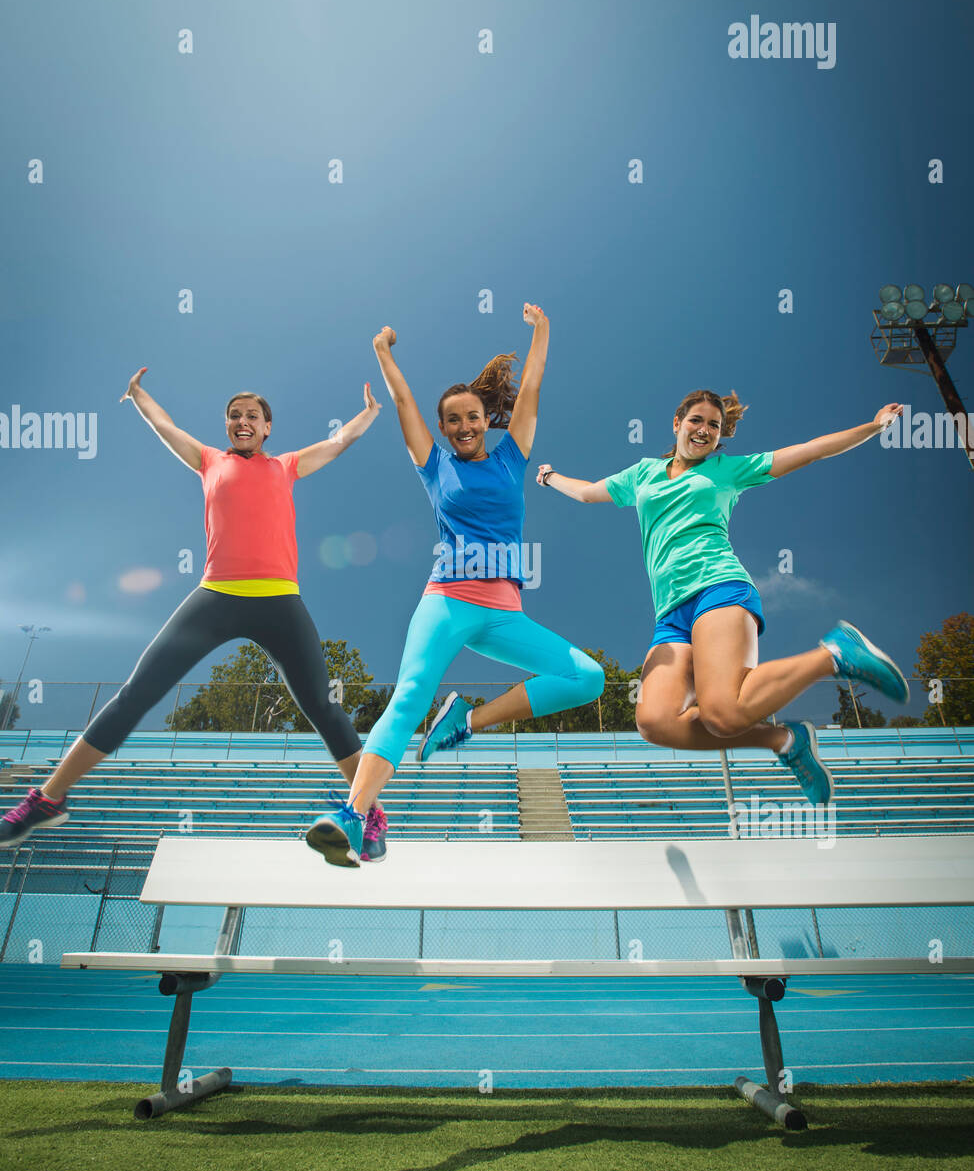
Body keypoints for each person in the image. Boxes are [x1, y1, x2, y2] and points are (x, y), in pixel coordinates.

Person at [1, 368, 383, 850]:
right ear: (227, 426)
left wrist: (368, 413)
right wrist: (139, 395)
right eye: (234, 415)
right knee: (136, 693)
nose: (242, 420)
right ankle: (48, 799)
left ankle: (368, 815)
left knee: (322, 707)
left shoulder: (285, 465)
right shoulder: (208, 460)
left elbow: (339, 441)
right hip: (215, 596)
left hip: (278, 599)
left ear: (268, 428)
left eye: (253, 415)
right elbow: (167, 427)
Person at [305, 305, 605, 867]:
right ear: (443, 429)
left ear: (486, 420)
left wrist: (542, 331)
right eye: (453, 421)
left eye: (473, 417)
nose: (465, 427)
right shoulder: (434, 466)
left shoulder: (512, 458)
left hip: (504, 612)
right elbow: (403, 404)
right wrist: (383, 353)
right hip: (446, 600)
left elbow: (533, 385)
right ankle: (355, 814)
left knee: (587, 678)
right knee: (411, 690)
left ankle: (467, 720)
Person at [534, 389, 910, 806]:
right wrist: (551, 477)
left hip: (718, 587)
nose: (705, 430)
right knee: (655, 722)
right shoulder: (642, 474)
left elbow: (808, 451)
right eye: (697, 420)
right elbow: (588, 493)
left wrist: (874, 428)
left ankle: (835, 654)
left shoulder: (728, 470)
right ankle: (785, 741)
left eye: (714, 426)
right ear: (677, 424)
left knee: (722, 714)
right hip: (670, 615)